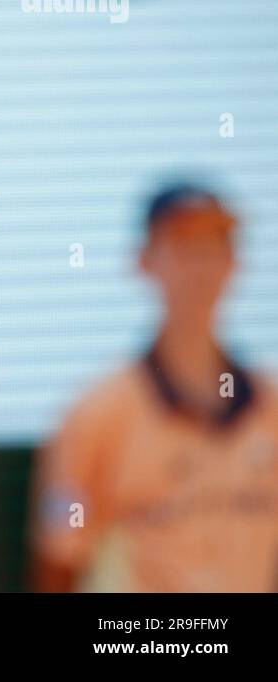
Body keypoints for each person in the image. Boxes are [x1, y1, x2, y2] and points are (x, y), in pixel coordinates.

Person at [30, 183, 278, 592]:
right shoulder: (97, 417)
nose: (200, 266)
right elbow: (59, 560)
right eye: (183, 246)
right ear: (145, 261)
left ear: (234, 261)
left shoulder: (269, 411)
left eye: (214, 245)